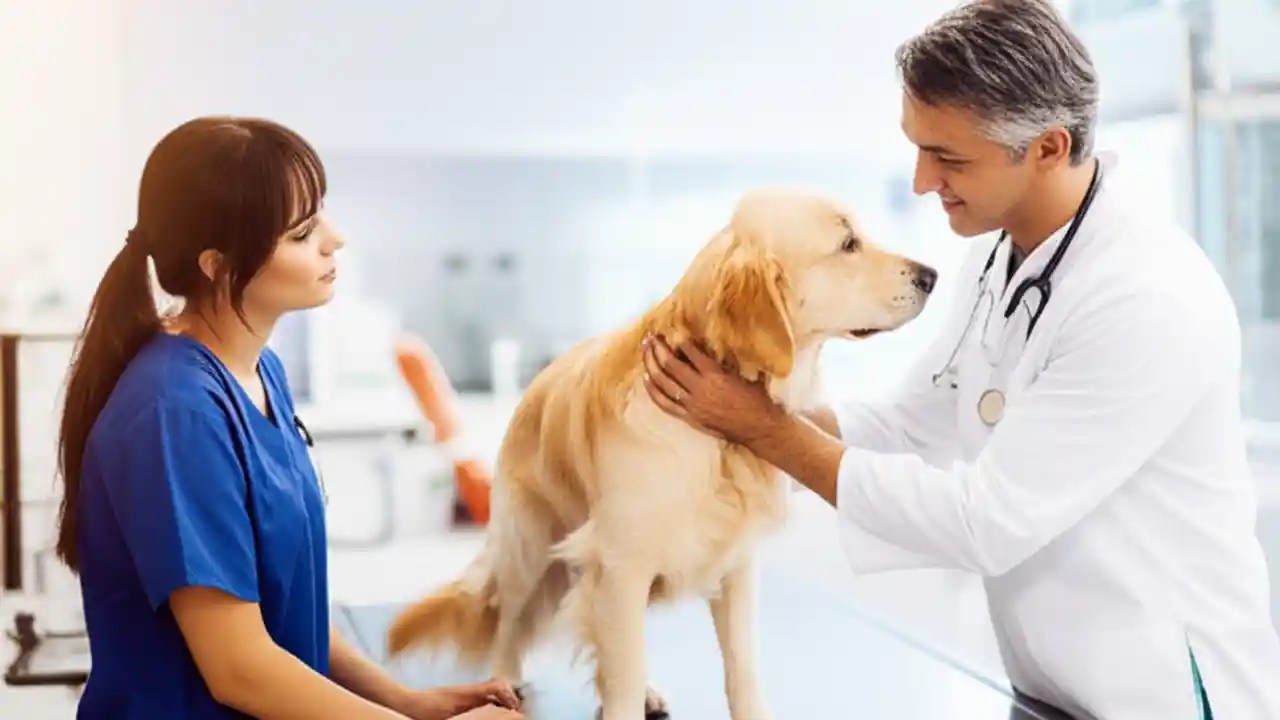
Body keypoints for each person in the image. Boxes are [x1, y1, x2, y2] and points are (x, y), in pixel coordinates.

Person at [641, 1, 1280, 718]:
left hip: (1163, 696)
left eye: (948, 157)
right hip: (1050, 691)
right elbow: (920, 422)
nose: (921, 180)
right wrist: (728, 424)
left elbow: (986, 520)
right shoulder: (1000, 255)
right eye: (918, 147)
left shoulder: (1144, 297)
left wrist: (766, 431)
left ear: (1046, 147)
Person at [54, 116, 523, 719]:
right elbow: (240, 669)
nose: (336, 239)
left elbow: (287, 609)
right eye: (303, 233)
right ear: (216, 263)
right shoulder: (175, 413)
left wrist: (406, 702)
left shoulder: (260, 372)